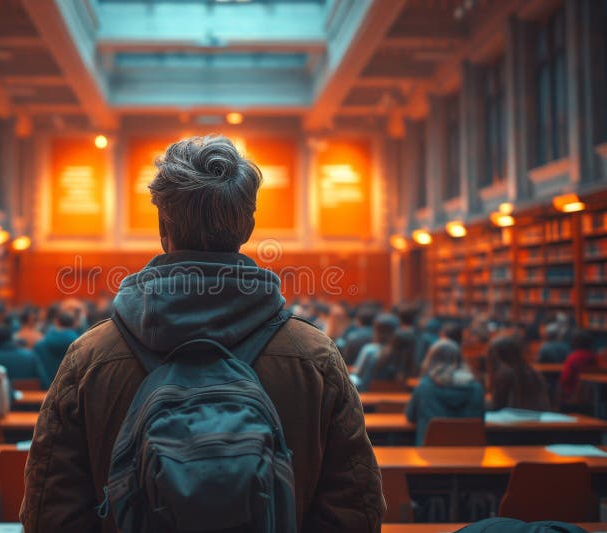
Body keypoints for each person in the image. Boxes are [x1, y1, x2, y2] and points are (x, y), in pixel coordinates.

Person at [21, 136, 384, 532]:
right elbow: (355, 508)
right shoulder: (313, 356)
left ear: (163, 226)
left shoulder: (90, 357)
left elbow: (49, 511)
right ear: (248, 226)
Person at [405, 339, 485, 445]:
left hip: (430, 454)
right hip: (470, 452)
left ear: (430, 359)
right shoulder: (477, 388)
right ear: (460, 358)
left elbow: (410, 416)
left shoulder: (424, 387)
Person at [487, 333, 550, 411]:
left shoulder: (505, 375)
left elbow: (497, 408)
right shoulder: (533, 373)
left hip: (512, 421)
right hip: (537, 420)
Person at [351, 312, 399, 392]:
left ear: (375, 331)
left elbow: (357, 375)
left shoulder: (369, 350)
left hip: (366, 394)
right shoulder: (400, 351)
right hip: (394, 393)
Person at [33, 311, 80, 388]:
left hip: (45, 392)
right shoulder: (81, 345)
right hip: (72, 392)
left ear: (57, 322)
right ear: (74, 324)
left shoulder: (39, 346)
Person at [560, 329, 598, 402]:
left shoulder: (572, 357)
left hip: (572, 394)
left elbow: (565, 379)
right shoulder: (593, 357)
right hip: (591, 396)